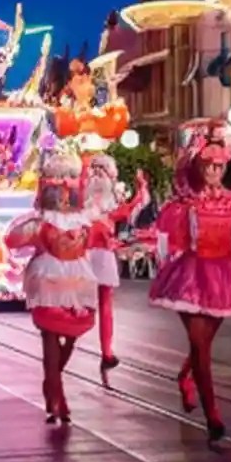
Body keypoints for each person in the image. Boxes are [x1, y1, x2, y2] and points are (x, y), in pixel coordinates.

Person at [150, 121, 231, 442]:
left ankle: (186, 381)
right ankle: (213, 415)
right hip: (189, 276)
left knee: (204, 345)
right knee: (200, 347)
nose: (214, 171)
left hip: (223, 278)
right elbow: (169, 237)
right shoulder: (182, 205)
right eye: (208, 165)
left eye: (219, 166)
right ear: (198, 166)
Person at [4, 150, 98, 424]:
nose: (65, 190)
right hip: (47, 280)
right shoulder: (41, 221)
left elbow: (89, 244)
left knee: (71, 336)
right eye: (59, 183)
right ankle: (58, 400)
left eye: (69, 181)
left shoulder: (82, 221)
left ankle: (52, 385)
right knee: (49, 341)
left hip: (78, 281)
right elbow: (12, 240)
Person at [83, 155, 149, 386]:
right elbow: (135, 206)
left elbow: (133, 206)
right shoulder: (100, 209)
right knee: (97, 305)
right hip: (92, 257)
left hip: (90, 257)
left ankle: (104, 352)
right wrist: (142, 187)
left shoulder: (92, 209)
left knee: (96, 305)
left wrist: (141, 187)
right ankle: (103, 351)